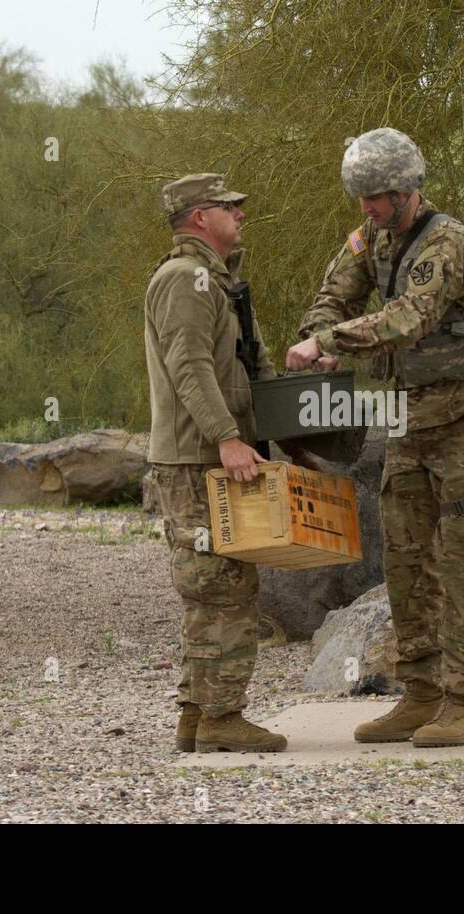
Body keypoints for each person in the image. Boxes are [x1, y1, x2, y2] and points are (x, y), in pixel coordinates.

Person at [287, 128, 464, 747]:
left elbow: (410, 317)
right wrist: (321, 334)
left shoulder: (448, 243)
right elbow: (332, 296)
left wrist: (331, 344)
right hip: (407, 421)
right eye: (361, 197)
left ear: (409, 190)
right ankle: (421, 693)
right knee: (406, 557)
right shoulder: (371, 238)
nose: (367, 208)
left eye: (377, 197)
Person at [144, 173, 290, 753]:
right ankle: (222, 718)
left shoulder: (209, 279)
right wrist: (228, 437)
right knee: (225, 588)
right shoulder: (186, 279)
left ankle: (197, 715)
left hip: (207, 458)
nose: (241, 213)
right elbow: (190, 366)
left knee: (208, 589)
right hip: (199, 460)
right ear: (200, 217)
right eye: (230, 206)